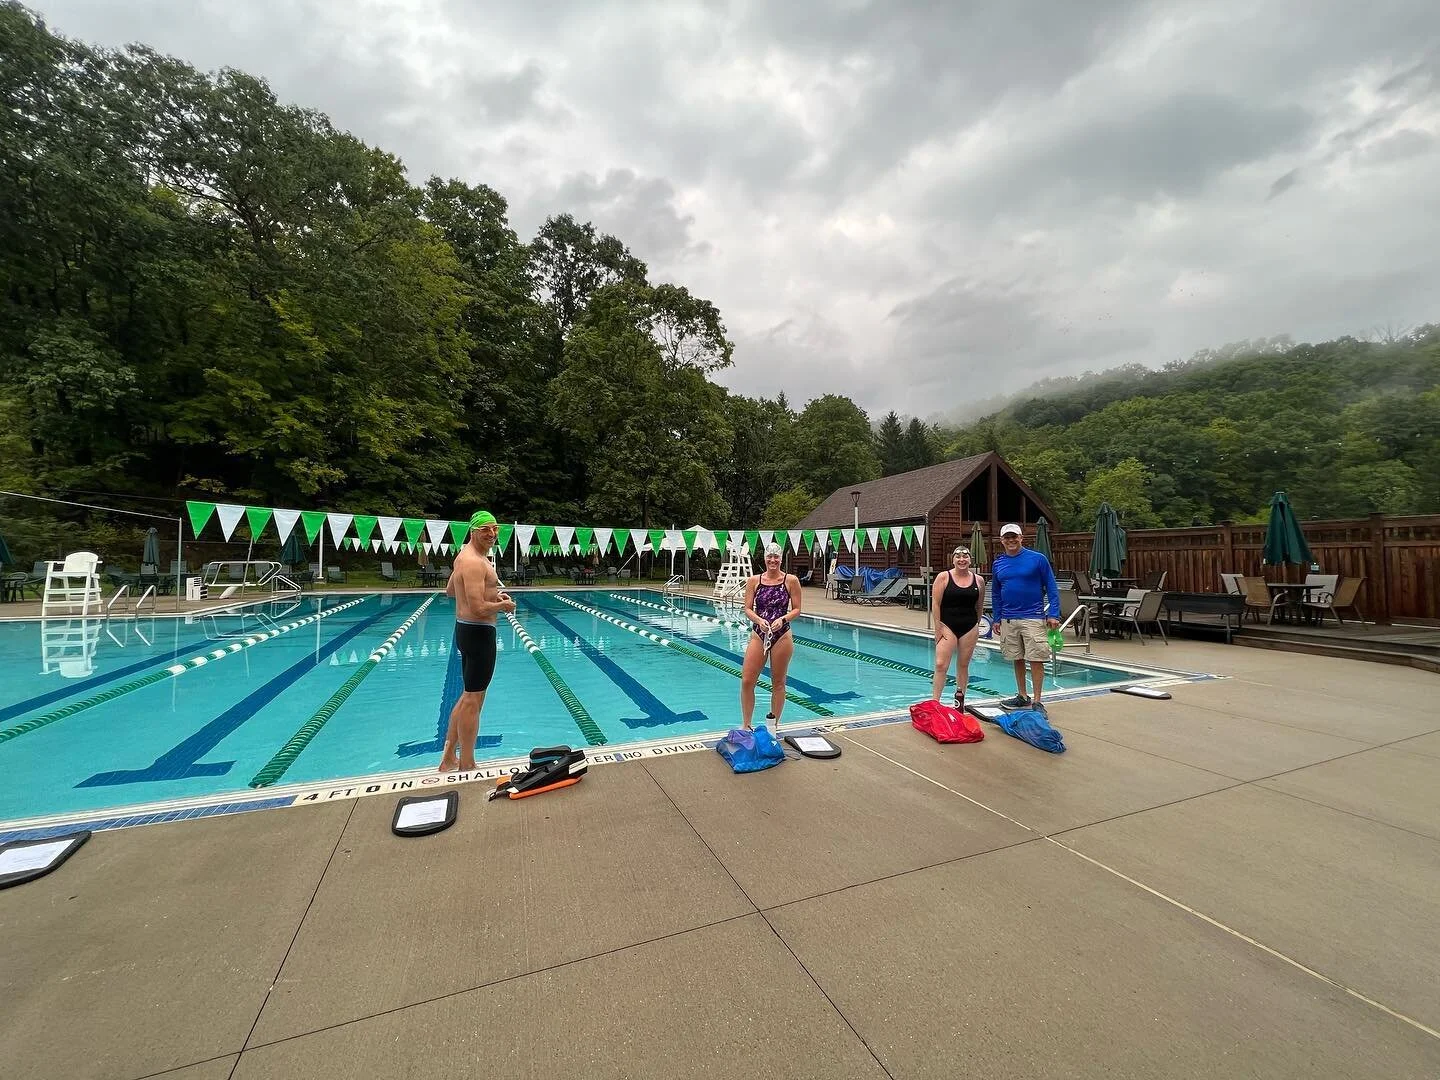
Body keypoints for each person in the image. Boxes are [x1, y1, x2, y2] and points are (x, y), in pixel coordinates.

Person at [440, 510, 516, 772]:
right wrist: (504, 605)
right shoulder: (474, 562)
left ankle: (449, 757)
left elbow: (450, 591)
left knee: (467, 696)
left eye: (495, 529)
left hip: (466, 631)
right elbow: (477, 608)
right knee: (474, 699)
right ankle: (467, 763)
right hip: (479, 634)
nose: (492, 534)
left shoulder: (464, 557)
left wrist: (491, 594)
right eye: (486, 529)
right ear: (473, 530)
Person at [990, 522, 1060, 711]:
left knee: (1036, 658)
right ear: (1002, 540)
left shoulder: (1038, 559)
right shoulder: (998, 563)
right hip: (1009, 618)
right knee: (1017, 657)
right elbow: (996, 593)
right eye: (1007, 537)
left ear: (1021, 538)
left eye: (1015, 537)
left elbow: (1052, 587)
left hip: (1033, 617)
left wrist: (1054, 613)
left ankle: (1037, 701)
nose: (1011, 540)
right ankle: (1022, 695)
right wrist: (997, 618)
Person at [739, 542, 802, 730]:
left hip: (782, 635)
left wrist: (782, 619)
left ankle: (773, 725)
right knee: (747, 681)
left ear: (781, 559)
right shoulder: (754, 581)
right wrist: (759, 621)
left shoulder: (791, 580)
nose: (773, 560)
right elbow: (747, 609)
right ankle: (746, 725)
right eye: (769, 556)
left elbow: (797, 609)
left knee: (778, 682)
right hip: (759, 633)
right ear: (765, 558)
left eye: (776, 556)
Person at [930, 546, 983, 710]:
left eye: (965, 557)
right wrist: (938, 628)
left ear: (970, 560)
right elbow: (936, 603)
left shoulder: (978, 580)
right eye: (958, 557)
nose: (962, 560)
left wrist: (976, 625)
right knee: (941, 665)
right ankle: (935, 703)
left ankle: (959, 701)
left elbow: (979, 606)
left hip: (969, 626)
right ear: (952, 559)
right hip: (947, 625)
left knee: (963, 665)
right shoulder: (944, 577)